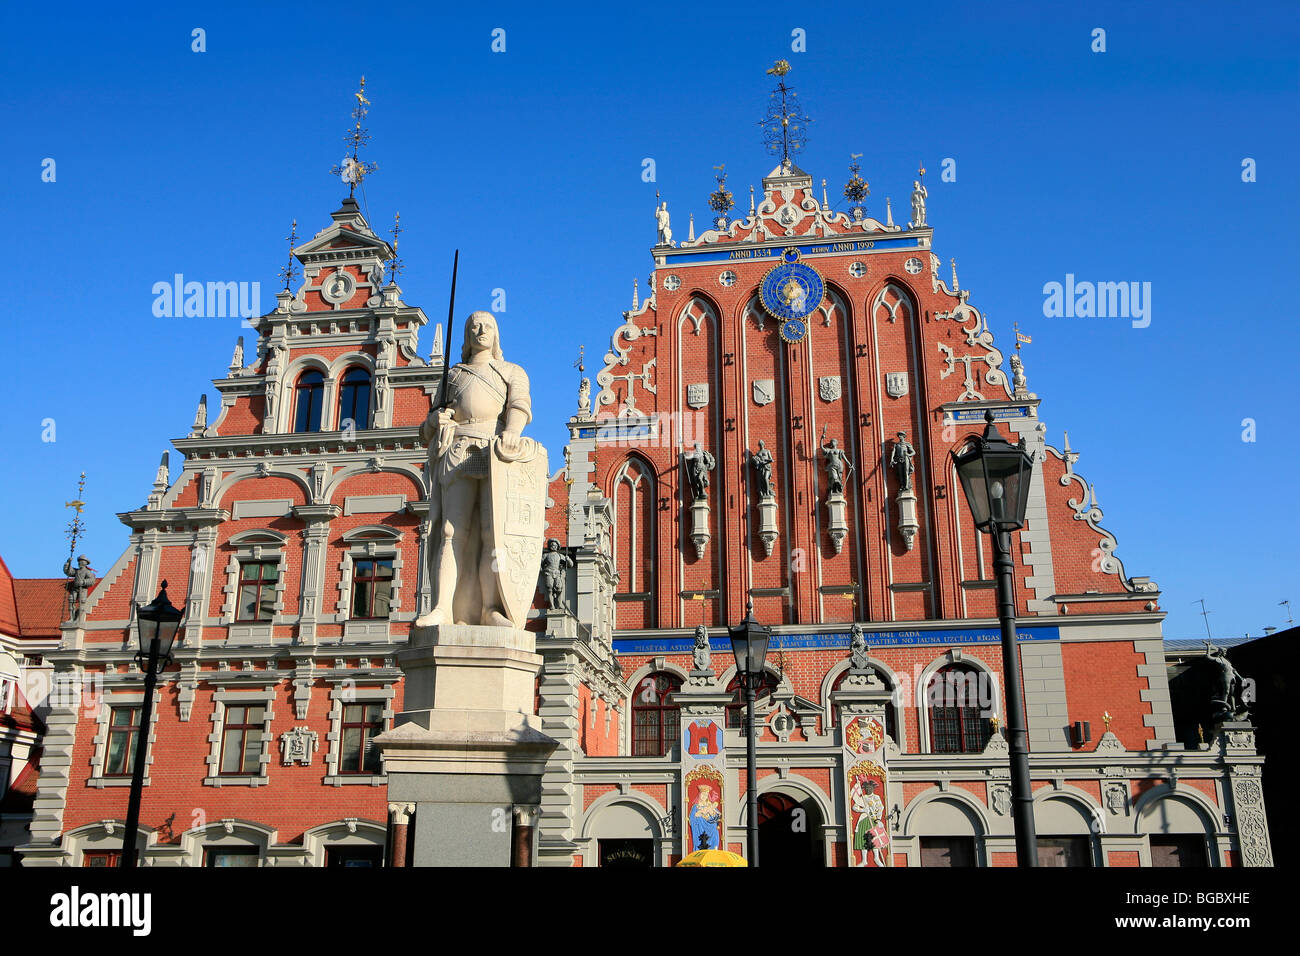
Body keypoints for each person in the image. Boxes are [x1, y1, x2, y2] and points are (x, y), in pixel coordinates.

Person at [416, 311, 536, 628]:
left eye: (488, 326)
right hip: (458, 450)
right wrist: (434, 421)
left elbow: (519, 406)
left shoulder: (511, 371)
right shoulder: (452, 375)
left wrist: (512, 431)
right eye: (474, 326)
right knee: (451, 532)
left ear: (497, 335)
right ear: (467, 337)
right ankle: (443, 607)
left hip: (495, 452)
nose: (480, 330)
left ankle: (491, 607)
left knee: (493, 535)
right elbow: (426, 428)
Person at [851, 778, 886, 867]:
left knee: (874, 838)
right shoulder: (863, 797)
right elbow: (854, 807)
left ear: (873, 788)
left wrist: (878, 820)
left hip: (873, 819)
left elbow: (880, 808)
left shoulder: (876, 797)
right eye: (866, 788)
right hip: (864, 820)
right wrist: (863, 810)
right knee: (863, 839)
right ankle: (864, 860)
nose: (868, 789)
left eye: (870, 788)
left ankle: (876, 858)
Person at [689, 783, 722, 851]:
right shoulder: (696, 807)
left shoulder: (711, 805)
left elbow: (718, 816)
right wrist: (699, 814)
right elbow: (692, 819)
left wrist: (712, 813)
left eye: (706, 795)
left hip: (712, 829)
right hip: (700, 830)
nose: (704, 796)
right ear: (699, 795)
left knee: (714, 844)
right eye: (702, 794)